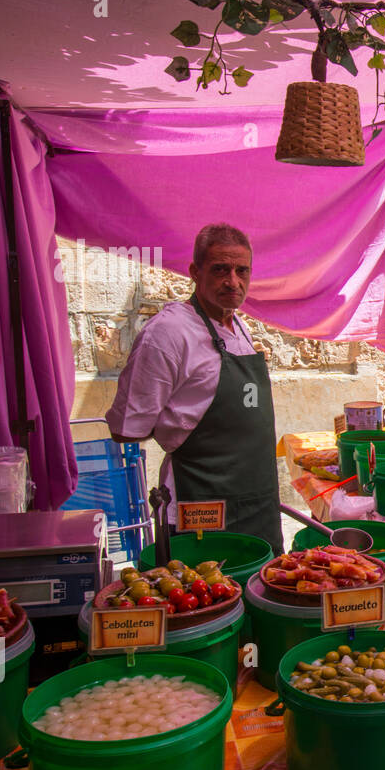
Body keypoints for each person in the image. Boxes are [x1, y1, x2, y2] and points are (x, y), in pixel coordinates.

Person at [106, 223, 283, 553]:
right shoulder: (168, 333)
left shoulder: (239, 326)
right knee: (206, 597)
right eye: (220, 270)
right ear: (194, 272)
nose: (233, 281)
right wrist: (178, 425)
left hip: (258, 505)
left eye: (242, 271)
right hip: (201, 508)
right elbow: (126, 428)